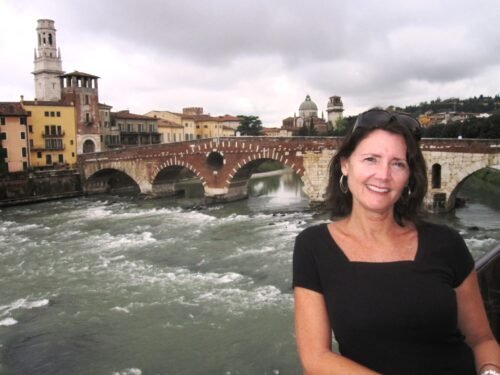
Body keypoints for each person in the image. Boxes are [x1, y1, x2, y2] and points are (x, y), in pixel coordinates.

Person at [293, 108, 500, 374]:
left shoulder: (446, 243)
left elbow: (482, 339)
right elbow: (316, 358)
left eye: (398, 164)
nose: (383, 175)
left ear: (409, 177)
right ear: (345, 164)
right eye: (371, 159)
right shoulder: (314, 246)